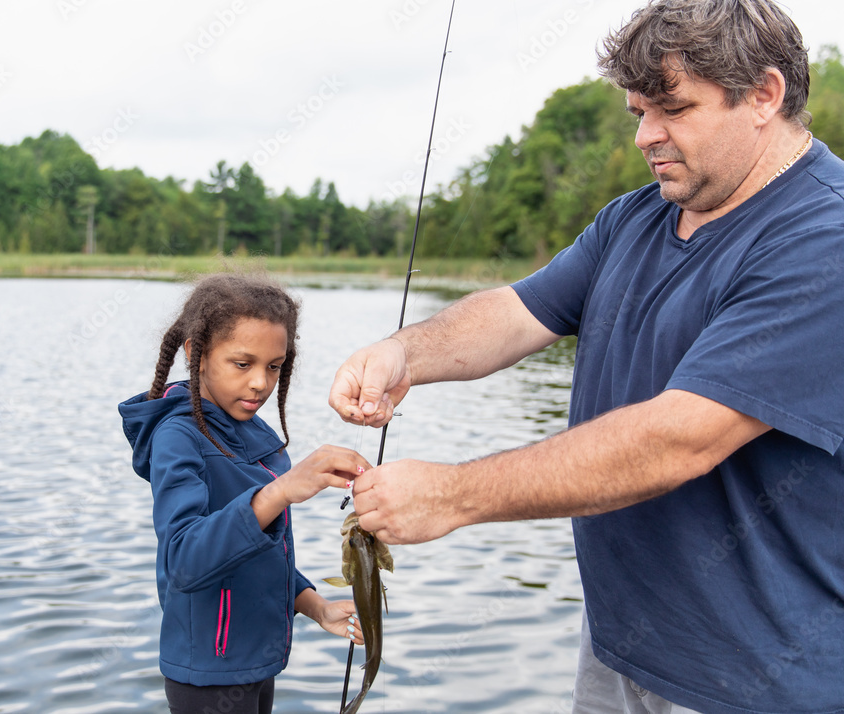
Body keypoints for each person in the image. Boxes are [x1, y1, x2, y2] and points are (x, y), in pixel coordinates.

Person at [328, 0, 844, 712]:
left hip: (757, 676)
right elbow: (513, 313)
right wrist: (402, 353)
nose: (646, 136)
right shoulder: (637, 217)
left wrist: (454, 494)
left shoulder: (824, 240)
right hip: (619, 646)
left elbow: (676, 440)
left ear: (764, 95)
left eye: (674, 109)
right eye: (638, 111)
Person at [120, 273, 369, 714]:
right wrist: (283, 491)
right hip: (208, 678)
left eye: (274, 366)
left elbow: (257, 557)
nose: (260, 383)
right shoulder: (177, 437)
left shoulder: (252, 431)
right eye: (243, 363)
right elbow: (184, 559)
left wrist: (315, 606)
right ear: (196, 353)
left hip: (258, 665)